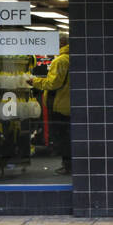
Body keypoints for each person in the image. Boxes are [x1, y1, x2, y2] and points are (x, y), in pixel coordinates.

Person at [28, 34, 72, 174]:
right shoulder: (71, 57)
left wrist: (35, 82)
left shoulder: (60, 61)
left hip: (59, 104)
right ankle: (70, 164)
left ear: (60, 43)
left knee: (62, 137)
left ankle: (68, 166)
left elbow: (53, 83)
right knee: (68, 136)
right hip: (68, 102)